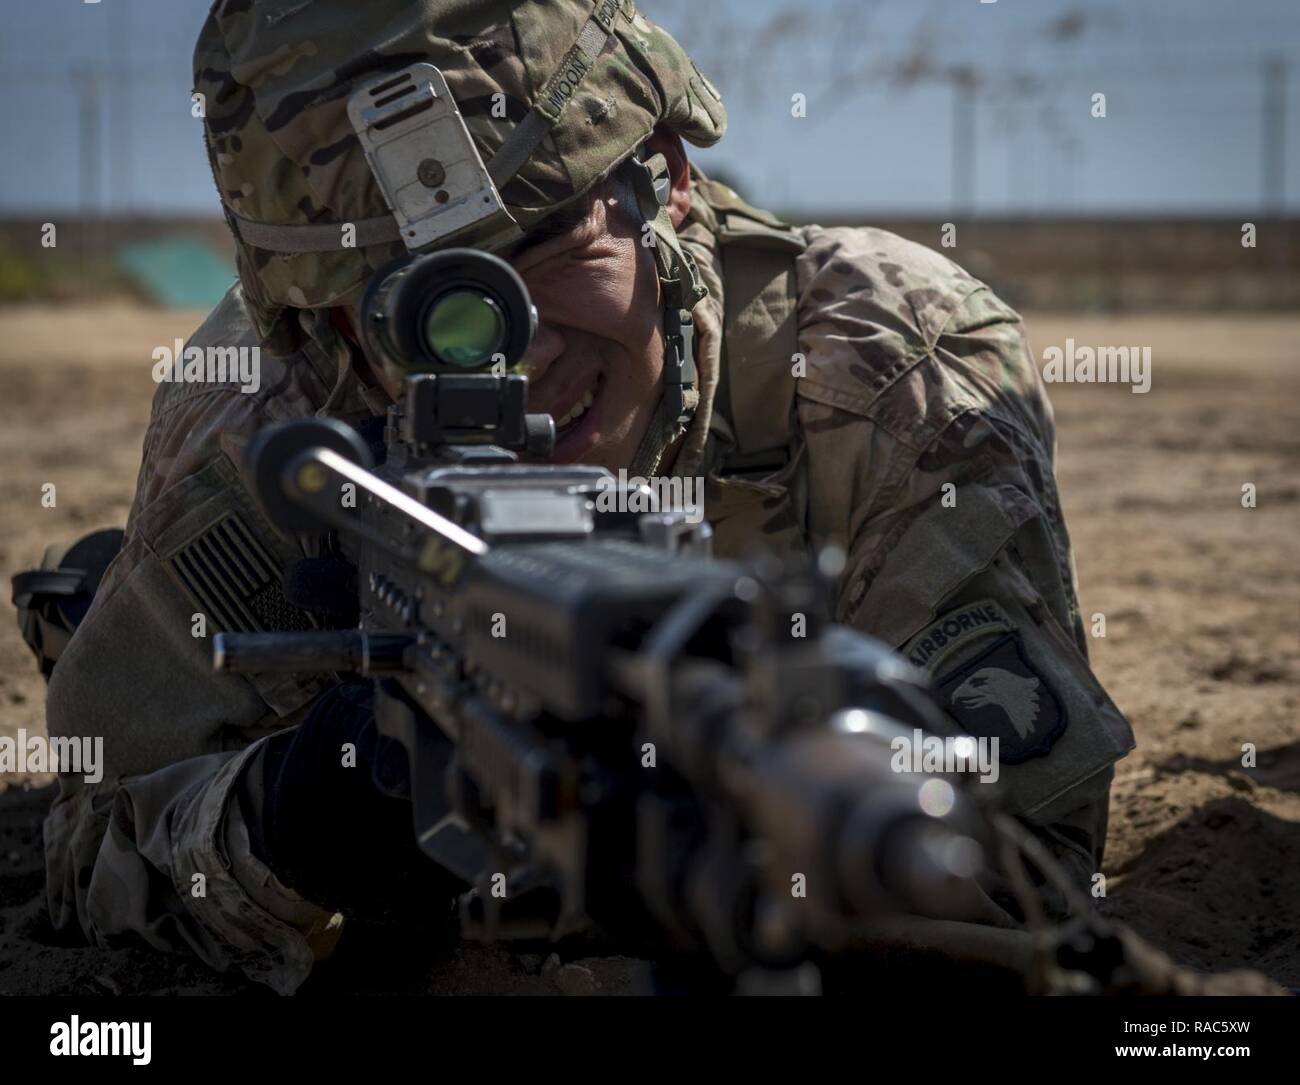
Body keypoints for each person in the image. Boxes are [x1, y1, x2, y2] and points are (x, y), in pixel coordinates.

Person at [41, 0, 1133, 994]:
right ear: (327, 330)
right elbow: (94, 840)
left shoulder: (887, 368)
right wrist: (297, 818)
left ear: (665, 178)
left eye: (547, 246)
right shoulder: (261, 427)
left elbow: (1022, 868)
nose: (515, 351)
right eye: (414, 308)